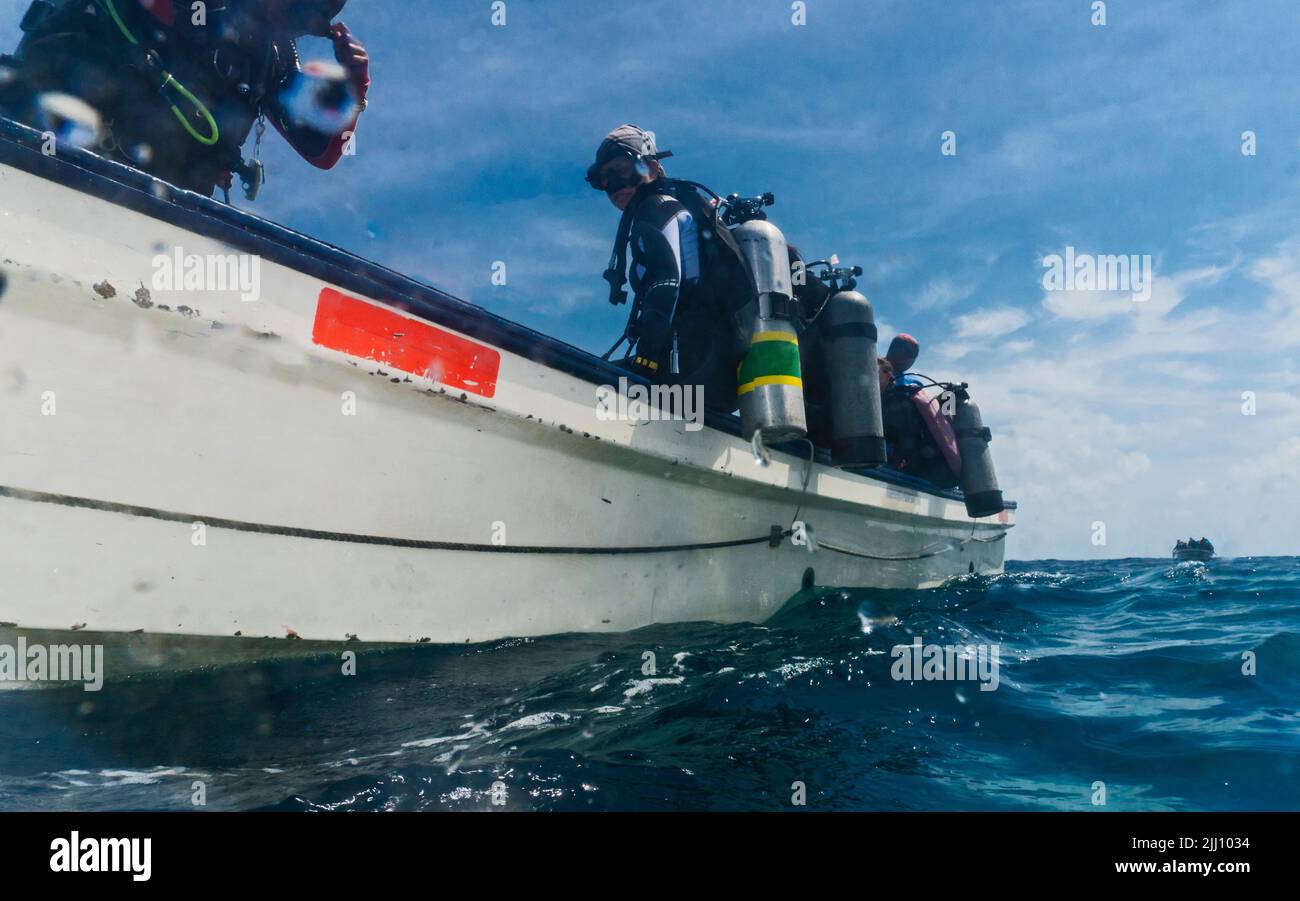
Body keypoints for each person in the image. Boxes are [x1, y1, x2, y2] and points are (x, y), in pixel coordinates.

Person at [2, 0, 369, 198]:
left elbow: (321, 153)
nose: (303, 21)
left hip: (165, 207)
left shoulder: (273, 62)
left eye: (320, 12)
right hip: (58, 146)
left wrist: (355, 91)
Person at [586, 124, 748, 413]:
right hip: (714, 372)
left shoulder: (654, 207)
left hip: (689, 370)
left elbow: (666, 283)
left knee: (584, 381)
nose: (614, 184)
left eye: (622, 169)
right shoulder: (671, 207)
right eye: (604, 177)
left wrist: (645, 362)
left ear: (652, 165)